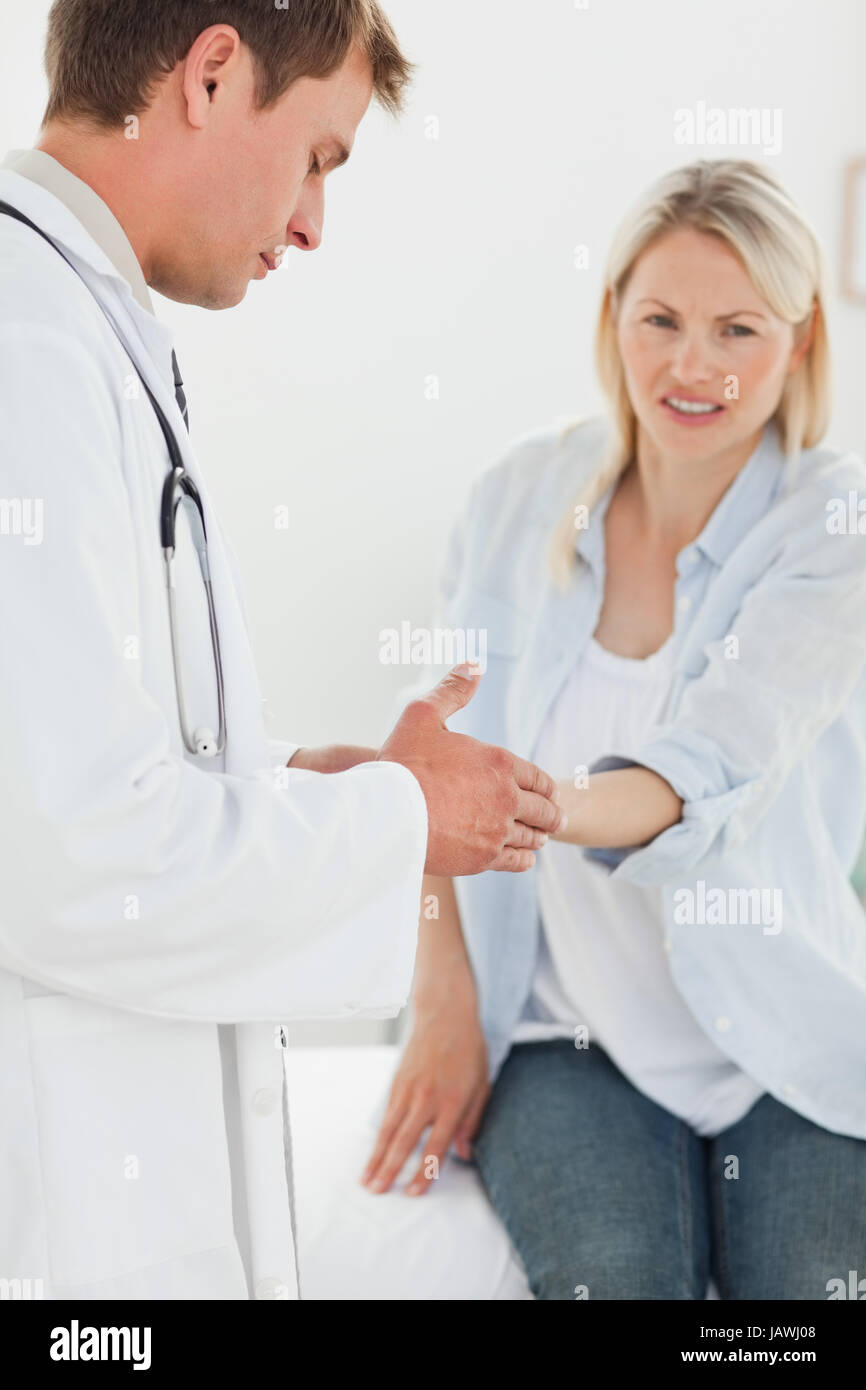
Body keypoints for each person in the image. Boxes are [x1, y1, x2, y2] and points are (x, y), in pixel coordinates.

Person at [0, 0, 564, 1302]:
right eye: (318, 155)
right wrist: (399, 818)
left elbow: (76, 758)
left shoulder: (83, 322)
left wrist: (287, 780)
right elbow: (72, 855)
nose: (313, 221)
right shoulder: (26, 341)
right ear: (209, 73)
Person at [362, 160, 866, 1300]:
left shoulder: (834, 524)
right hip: (567, 1038)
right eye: (661, 320)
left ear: (796, 341)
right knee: (611, 1280)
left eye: (737, 328)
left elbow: (710, 763)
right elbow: (433, 783)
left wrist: (522, 803)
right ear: (612, 321)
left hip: (782, 1034)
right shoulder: (512, 501)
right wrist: (443, 997)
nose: (692, 366)